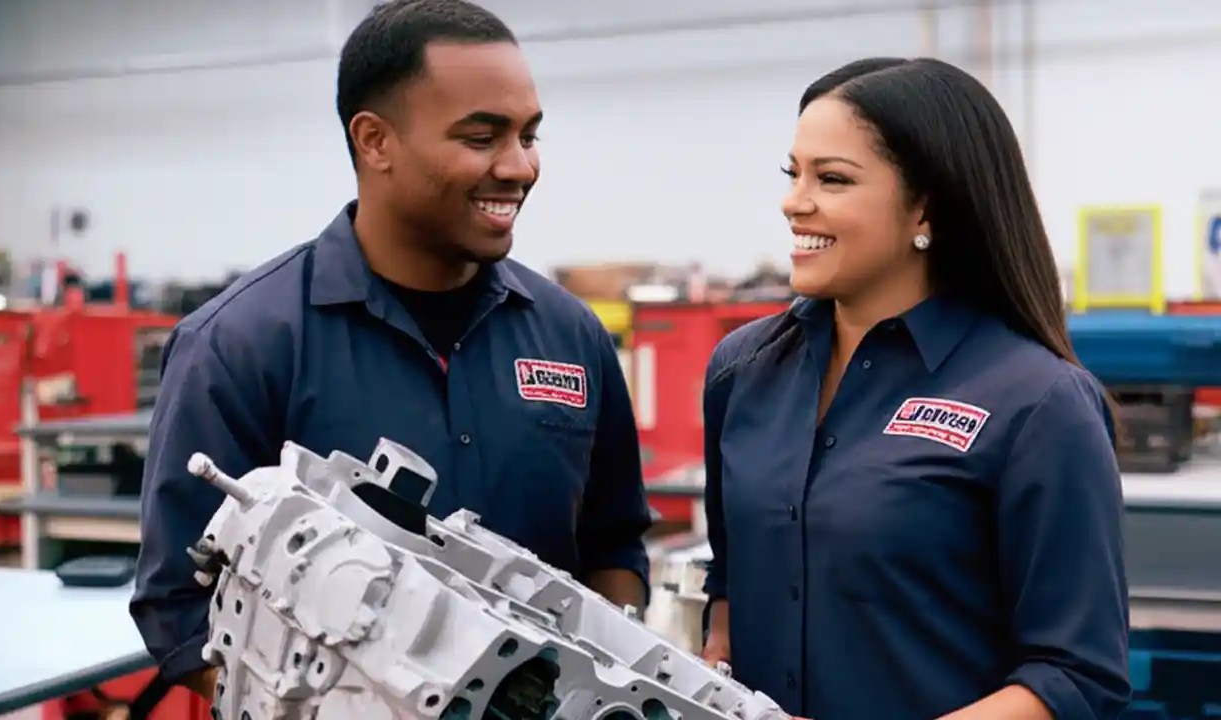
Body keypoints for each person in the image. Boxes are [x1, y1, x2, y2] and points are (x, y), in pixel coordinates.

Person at [130, 0, 652, 702]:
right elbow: (181, 607)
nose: (519, 166)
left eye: (529, 135)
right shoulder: (239, 346)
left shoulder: (572, 338)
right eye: (481, 137)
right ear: (375, 141)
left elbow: (613, 547)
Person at [698, 57, 1130, 720]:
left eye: (832, 179)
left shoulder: (1038, 403)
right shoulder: (742, 372)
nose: (794, 202)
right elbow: (731, 583)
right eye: (794, 174)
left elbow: (1076, 675)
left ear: (926, 206)